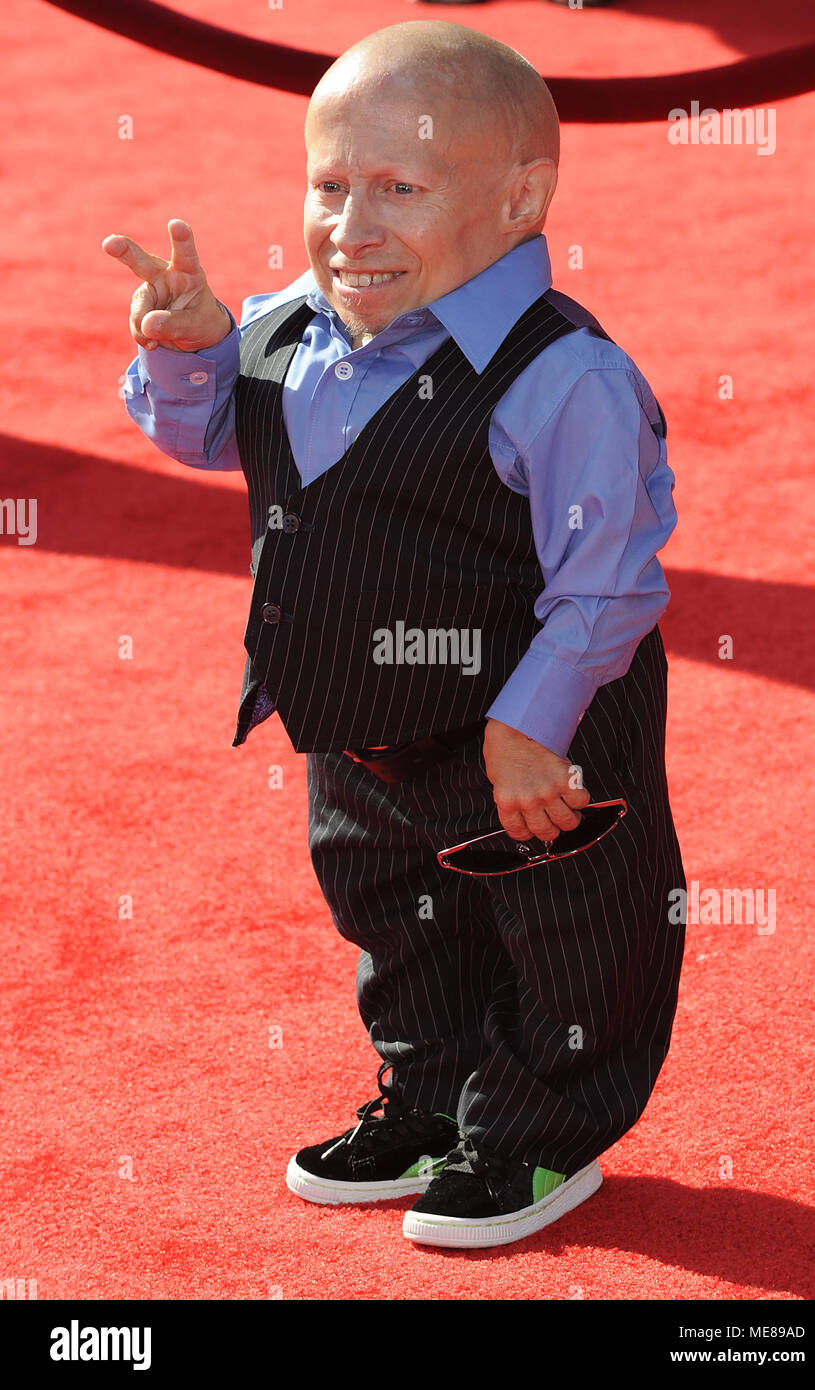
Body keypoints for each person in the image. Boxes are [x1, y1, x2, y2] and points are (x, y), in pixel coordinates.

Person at [103, 19, 686, 1250]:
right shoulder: (284, 330)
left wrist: (533, 727)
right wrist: (194, 352)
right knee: (395, 917)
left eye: (399, 188)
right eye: (328, 184)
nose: (350, 227)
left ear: (522, 194)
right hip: (357, 732)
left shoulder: (561, 376)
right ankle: (430, 1100)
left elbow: (609, 585)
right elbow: (210, 438)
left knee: (571, 929)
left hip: (532, 730)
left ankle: (536, 1137)